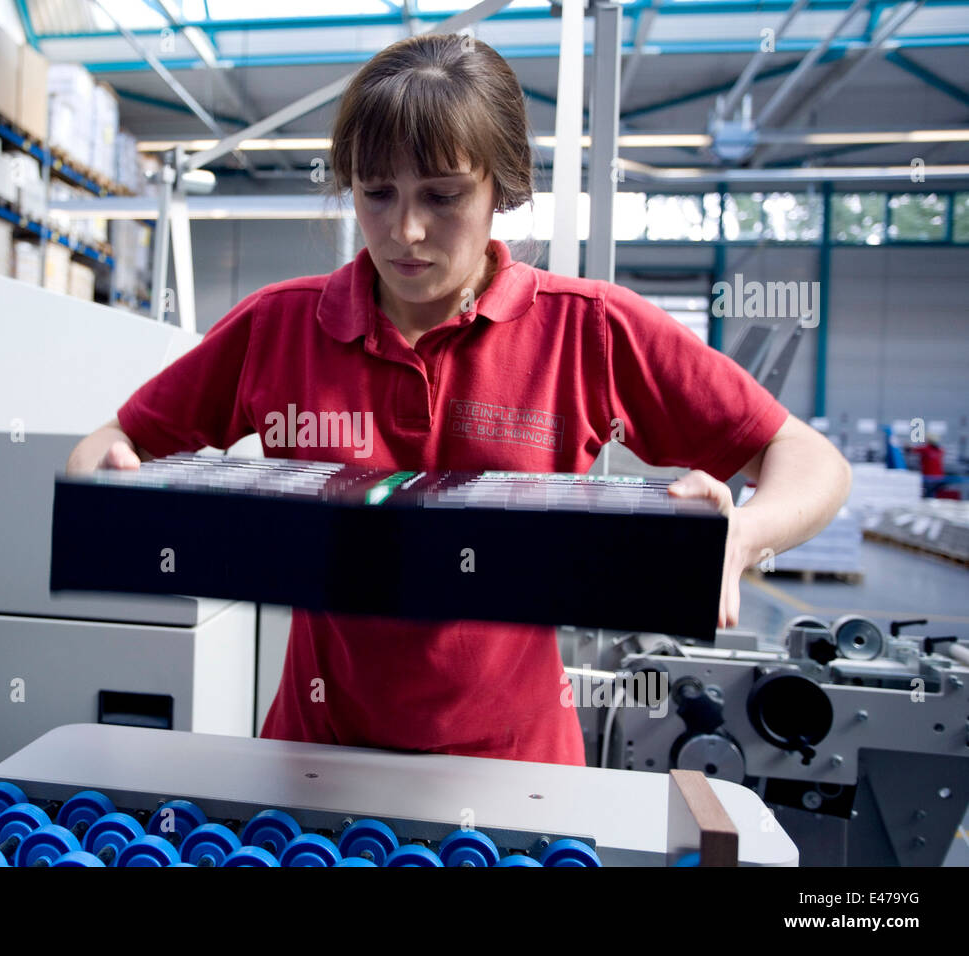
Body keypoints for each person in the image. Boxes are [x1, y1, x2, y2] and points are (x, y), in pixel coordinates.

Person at [67, 34, 851, 766]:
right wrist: (119, 492)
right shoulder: (281, 326)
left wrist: (741, 538)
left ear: (502, 188)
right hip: (315, 759)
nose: (405, 230)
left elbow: (810, 461)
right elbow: (108, 444)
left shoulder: (589, 331)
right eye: (377, 194)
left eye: (442, 196)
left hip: (515, 769)